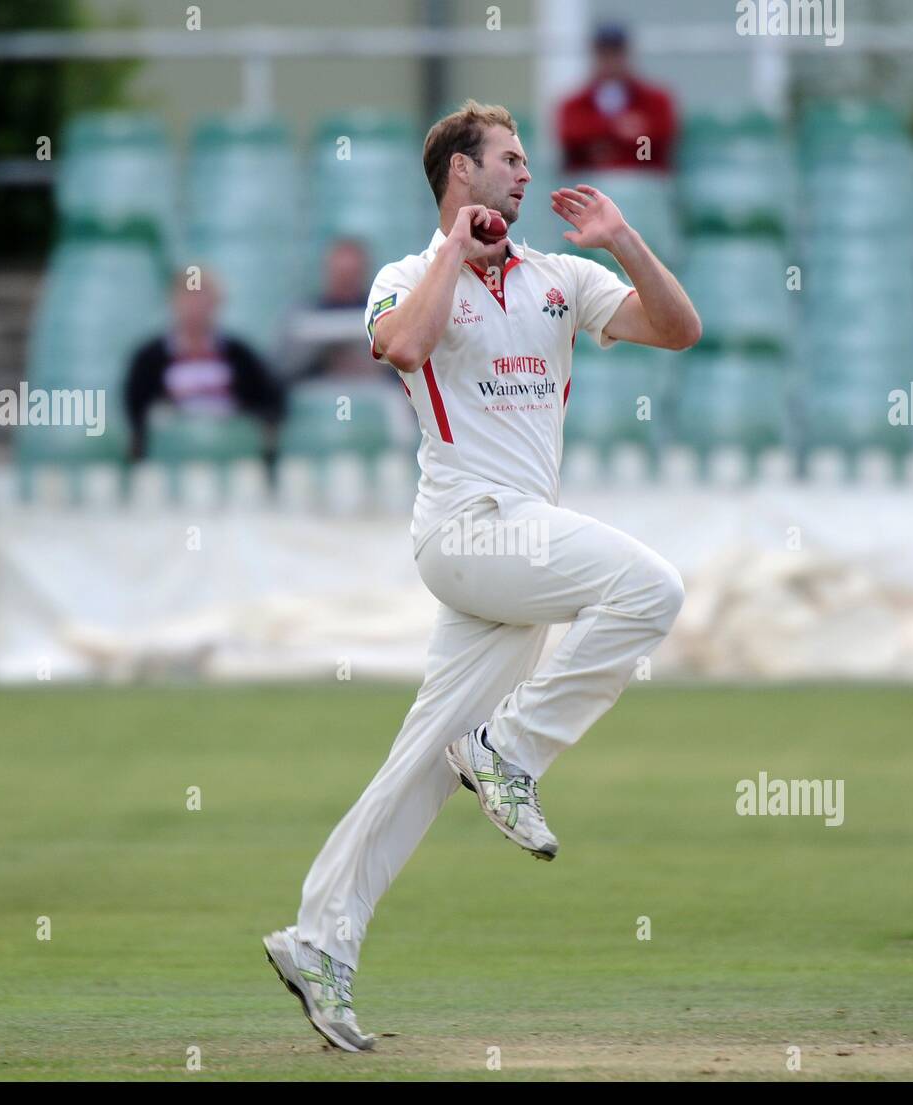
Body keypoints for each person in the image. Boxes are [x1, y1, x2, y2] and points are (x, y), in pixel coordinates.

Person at [262, 100, 700, 1052]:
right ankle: (513, 753)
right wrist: (454, 253)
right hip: (467, 532)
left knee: (422, 763)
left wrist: (625, 241)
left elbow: (679, 330)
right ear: (460, 172)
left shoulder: (559, 277)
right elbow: (405, 347)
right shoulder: (408, 277)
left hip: (516, 550)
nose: (526, 172)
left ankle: (317, 941)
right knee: (651, 589)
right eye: (507, 158)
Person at [123, 271, 286, 461]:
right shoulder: (149, 358)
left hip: (231, 451)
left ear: (217, 302)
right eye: (188, 296)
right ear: (173, 301)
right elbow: (137, 411)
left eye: (201, 297)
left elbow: (269, 401)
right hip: (174, 454)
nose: (194, 306)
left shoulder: (240, 354)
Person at [557, 23, 678, 173]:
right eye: (604, 53)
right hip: (590, 182)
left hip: (643, 181)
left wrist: (608, 136)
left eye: (615, 53)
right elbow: (571, 136)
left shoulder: (655, 99)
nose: (610, 60)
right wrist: (615, 127)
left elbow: (660, 137)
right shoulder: (574, 103)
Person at [279, 237, 389, 381]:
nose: (347, 280)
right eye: (342, 273)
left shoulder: (382, 313)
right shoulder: (303, 314)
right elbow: (284, 368)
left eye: (352, 273)